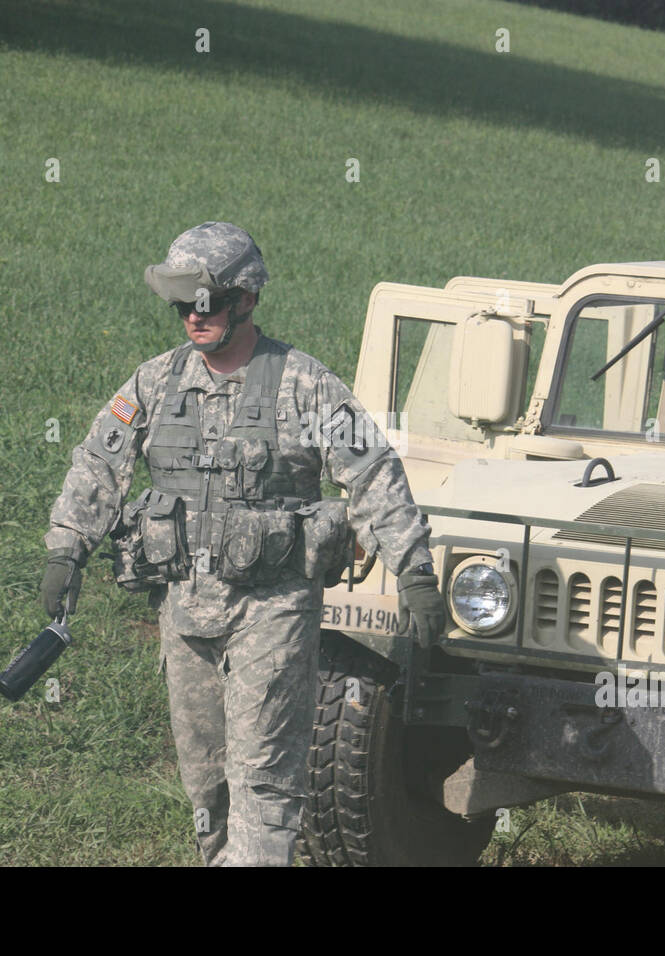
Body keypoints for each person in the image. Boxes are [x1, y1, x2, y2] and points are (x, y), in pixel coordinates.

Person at [41, 222, 446, 866]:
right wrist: (68, 547)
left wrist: (414, 571)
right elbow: (98, 462)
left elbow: (371, 473)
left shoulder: (305, 385)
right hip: (186, 611)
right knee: (206, 784)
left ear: (245, 300)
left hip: (274, 612)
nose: (192, 319)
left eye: (204, 303)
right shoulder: (154, 383)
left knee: (262, 778)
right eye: (182, 306)